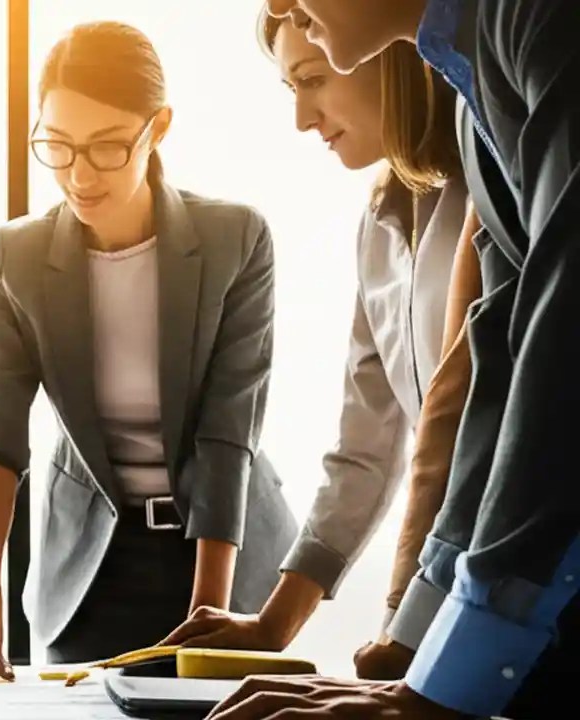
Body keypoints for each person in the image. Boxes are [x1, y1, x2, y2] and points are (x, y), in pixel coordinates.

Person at [208, 0, 580, 718]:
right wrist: (417, 655)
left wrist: (435, 676)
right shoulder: (476, 111)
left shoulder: (536, 20)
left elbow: (558, 343)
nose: (279, 5)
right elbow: (491, 376)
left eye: (311, 79)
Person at [0, 20, 298, 679]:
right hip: (90, 568)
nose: (78, 174)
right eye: (57, 145)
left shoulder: (236, 239)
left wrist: (208, 609)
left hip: (225, 554)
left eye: (106, 147)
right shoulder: (15, 258)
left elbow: (227, 432)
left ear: (158, 128)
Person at [161, 9, 482, 682]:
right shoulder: (378, 225)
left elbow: (460, 429)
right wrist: (272, 624)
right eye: (291, 89)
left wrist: (402, 623)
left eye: (312, 80)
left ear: (387, 55)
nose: (303, 119)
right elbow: (365, 450)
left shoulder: (488, 188)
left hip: (510, 574)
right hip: (449, 587)